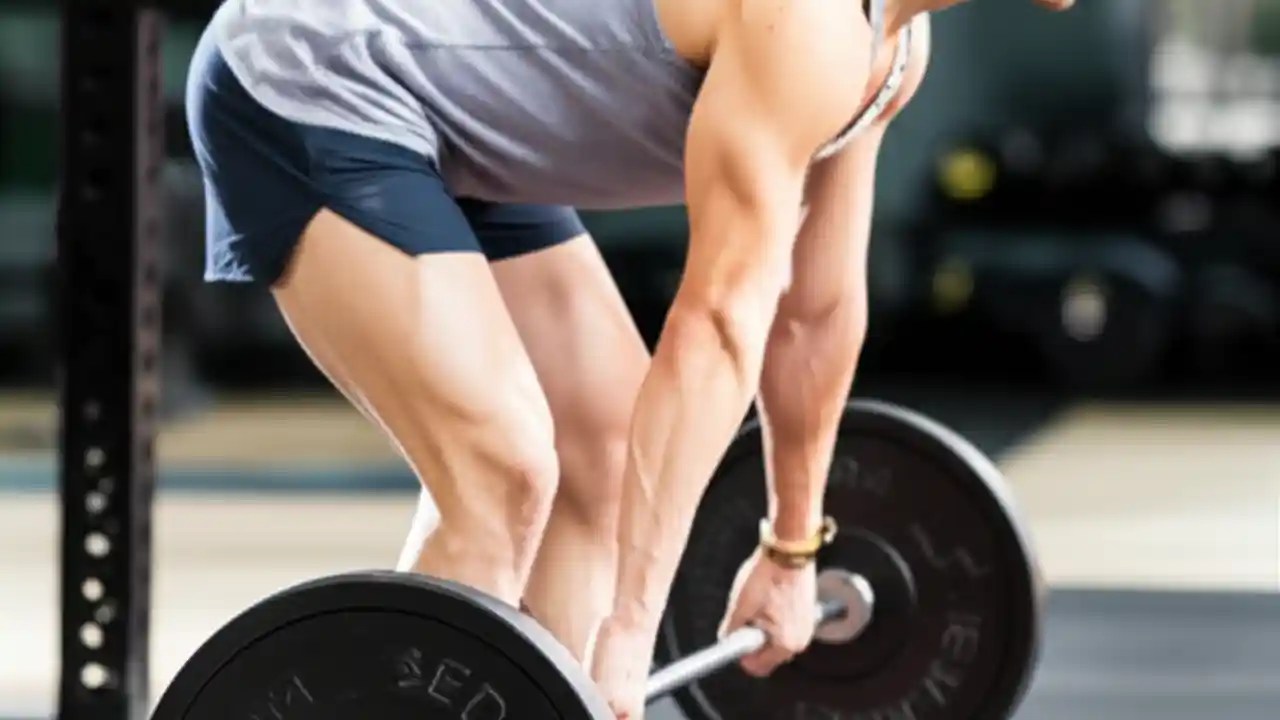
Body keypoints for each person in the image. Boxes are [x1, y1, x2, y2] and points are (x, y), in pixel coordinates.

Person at [185, 0, 1074, 716]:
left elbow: (814, 312)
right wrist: (627, 630)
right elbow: (719, 325)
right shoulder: (803, 20)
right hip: (317, 77)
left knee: (604, 457)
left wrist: (791, 550)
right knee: (503, 473)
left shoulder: (889, 51)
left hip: (465, 131)